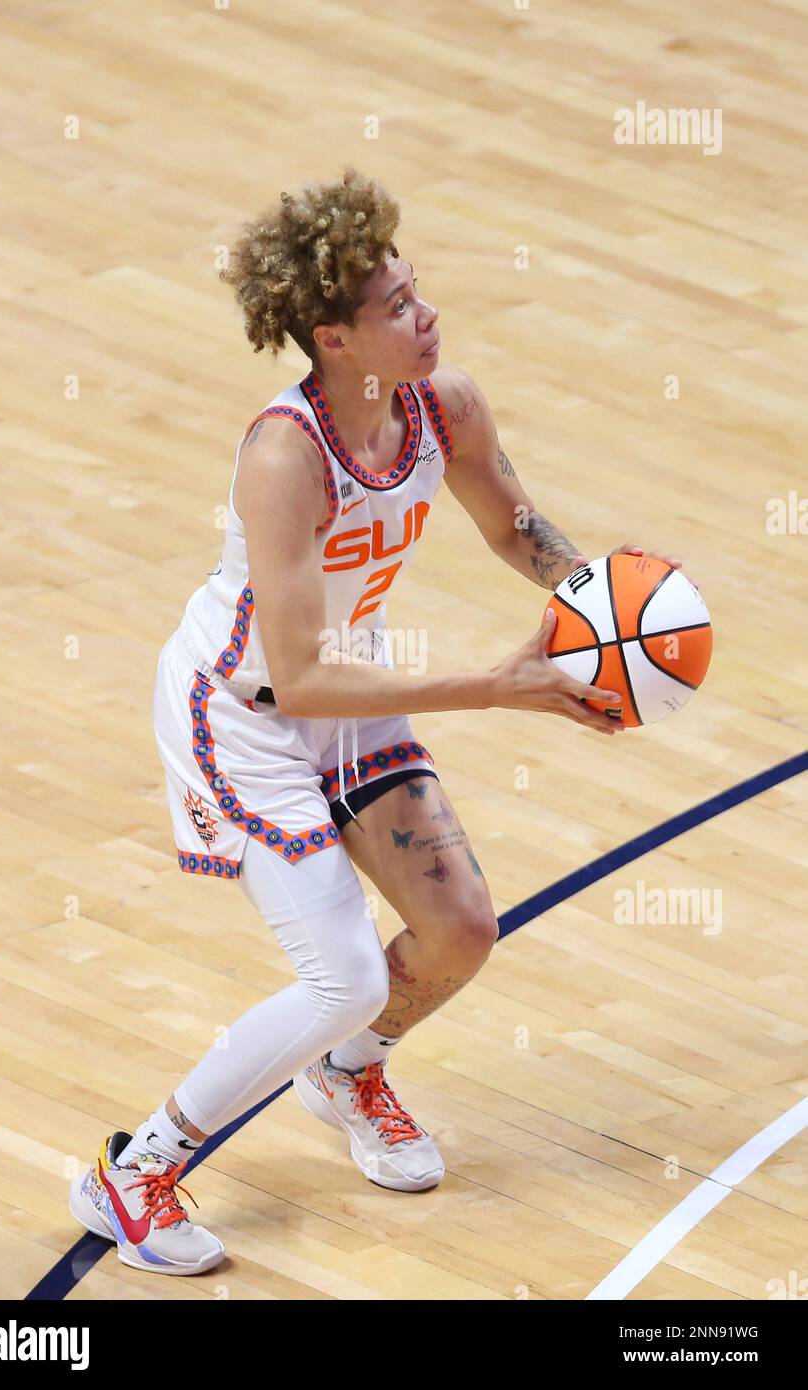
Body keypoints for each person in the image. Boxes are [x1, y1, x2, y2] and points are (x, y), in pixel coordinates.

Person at [69, 167, 681, 1275]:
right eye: (395, 306)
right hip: (241, 712)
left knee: (461, 931)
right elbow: (294, 678)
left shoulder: (443, 406)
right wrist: (501, 685)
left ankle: (348, 1070)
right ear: (333, 339)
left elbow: (514, 524)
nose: (427, 313)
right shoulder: (284, 457)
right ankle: (134, 1169)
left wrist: (612, 613)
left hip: (345, 684)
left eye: (416, 288)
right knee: (341, 973)